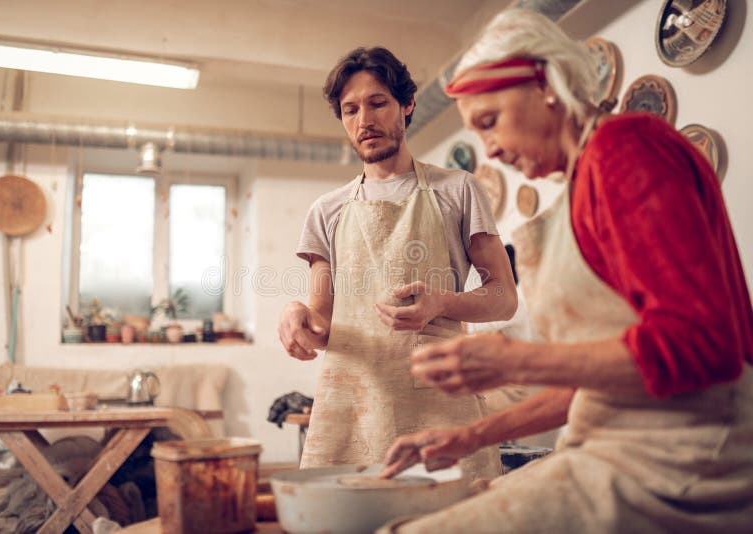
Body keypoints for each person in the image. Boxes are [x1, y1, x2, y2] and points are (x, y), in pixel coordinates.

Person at [378, 8, 753, 533]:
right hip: (622, 450)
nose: (490, 150)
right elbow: (599, 384)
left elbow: (702, 347)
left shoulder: (627, 149)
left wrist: (517, 362)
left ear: (544, 84)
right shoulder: (587, 178)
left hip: (686, 463)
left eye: (489, 121)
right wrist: (469, 437)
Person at [278, 46, 518, 482]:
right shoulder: (326, 211)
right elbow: (322, 321)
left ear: (406, 105)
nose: (364, 120)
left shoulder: (458, 190)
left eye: (377, 103)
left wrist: (441, 303)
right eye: (350, 110)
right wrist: (297, 316)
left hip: (437, 401)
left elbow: (504, 298)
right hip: (349, 404)